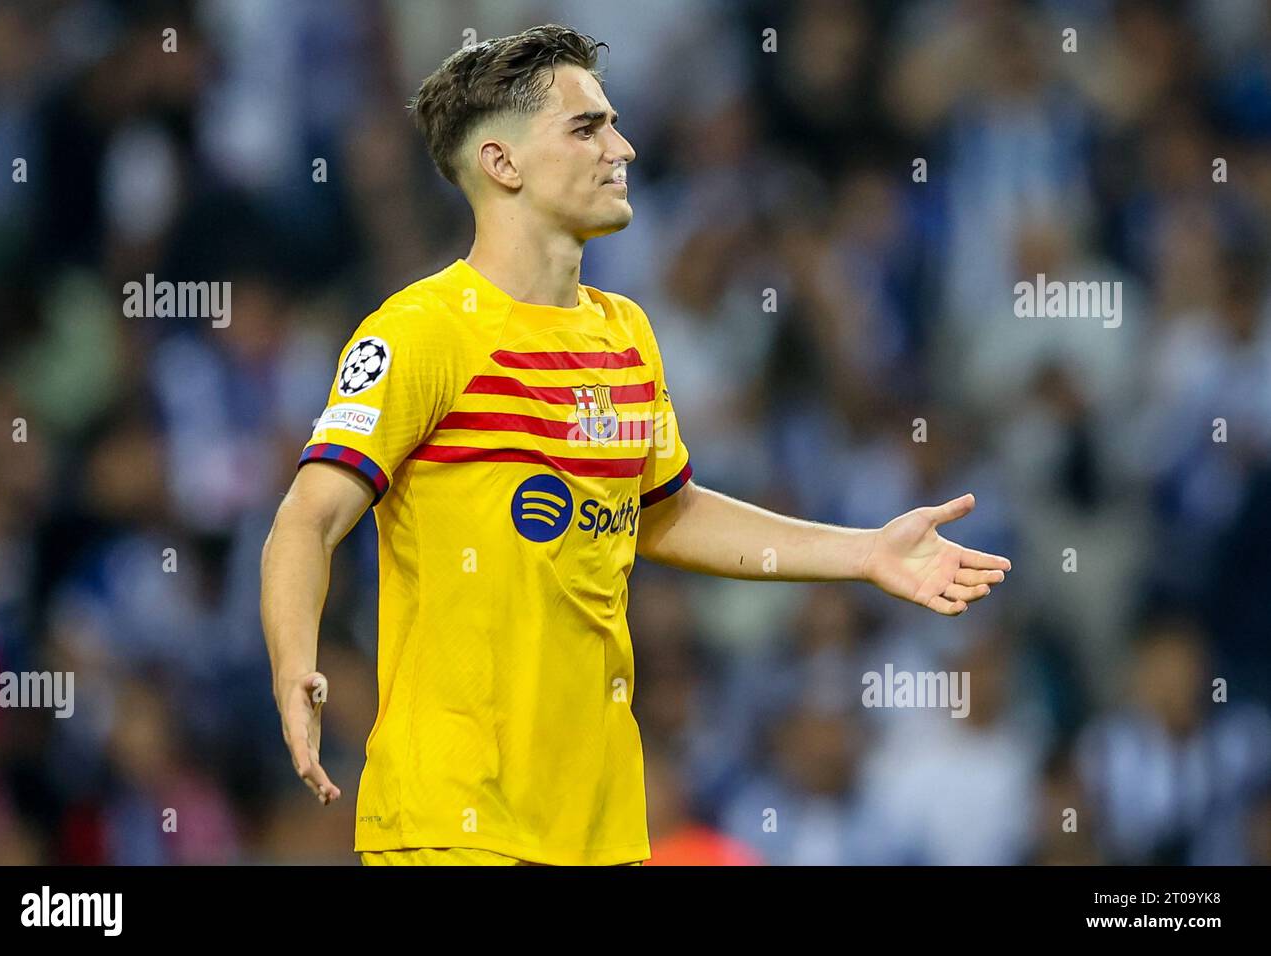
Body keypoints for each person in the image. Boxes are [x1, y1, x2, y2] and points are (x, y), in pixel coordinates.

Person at [259, 23, 1011, 866]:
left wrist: (865, 550)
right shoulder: (420, 332)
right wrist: (295, 665)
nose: (623, 146)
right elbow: (308, 517)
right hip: (454, 822)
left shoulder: (626, 334)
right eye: (586, 128)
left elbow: (669, 514)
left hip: (604, 829)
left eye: (612, 122)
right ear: (503, 165)